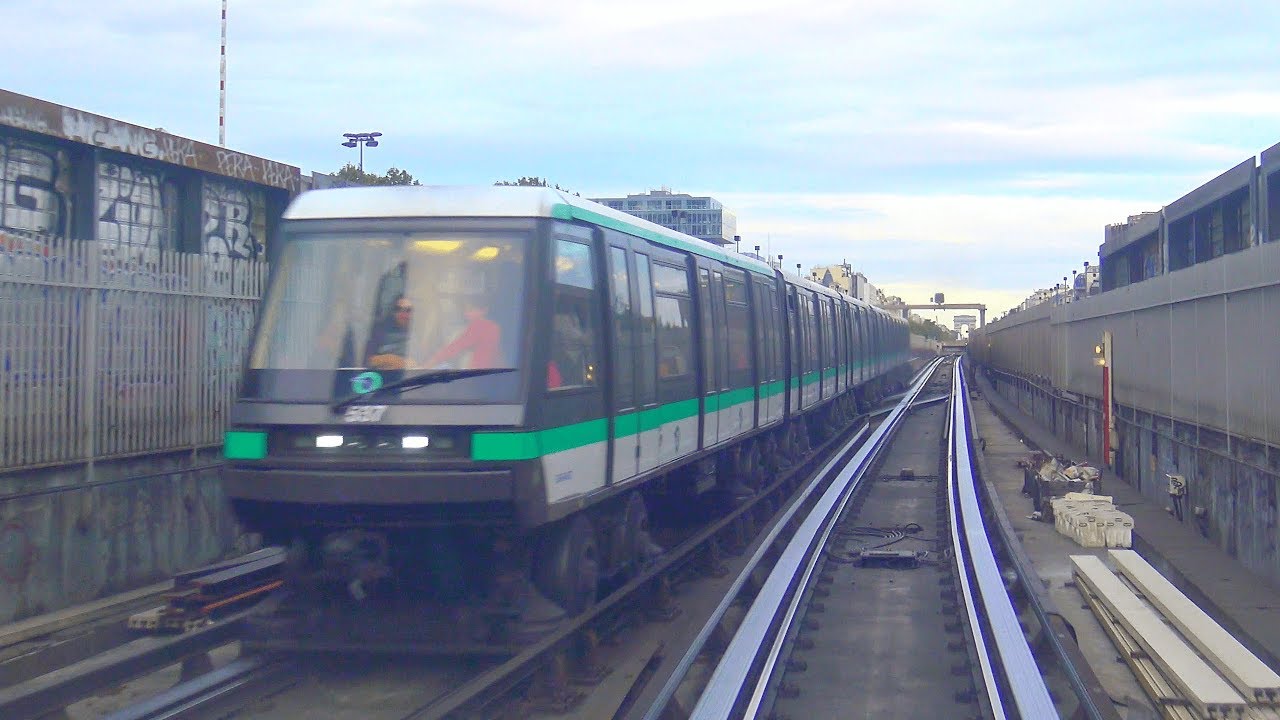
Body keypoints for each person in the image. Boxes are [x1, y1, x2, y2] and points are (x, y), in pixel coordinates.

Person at [426, 298, 501, 369]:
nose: (466, 313)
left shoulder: (479, 325)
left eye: (470, 310)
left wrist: (431, 363)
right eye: (465, 310)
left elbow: (455, 347)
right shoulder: (494, 327)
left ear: (484, 310)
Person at [364, 295, 414, 370]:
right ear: (393, 312)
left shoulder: (418, 336)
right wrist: (390, 359)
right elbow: (367, 360)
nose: (403, 313)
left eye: (408, 310)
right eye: (398, 309)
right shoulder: (380, 332)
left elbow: (423, 364)